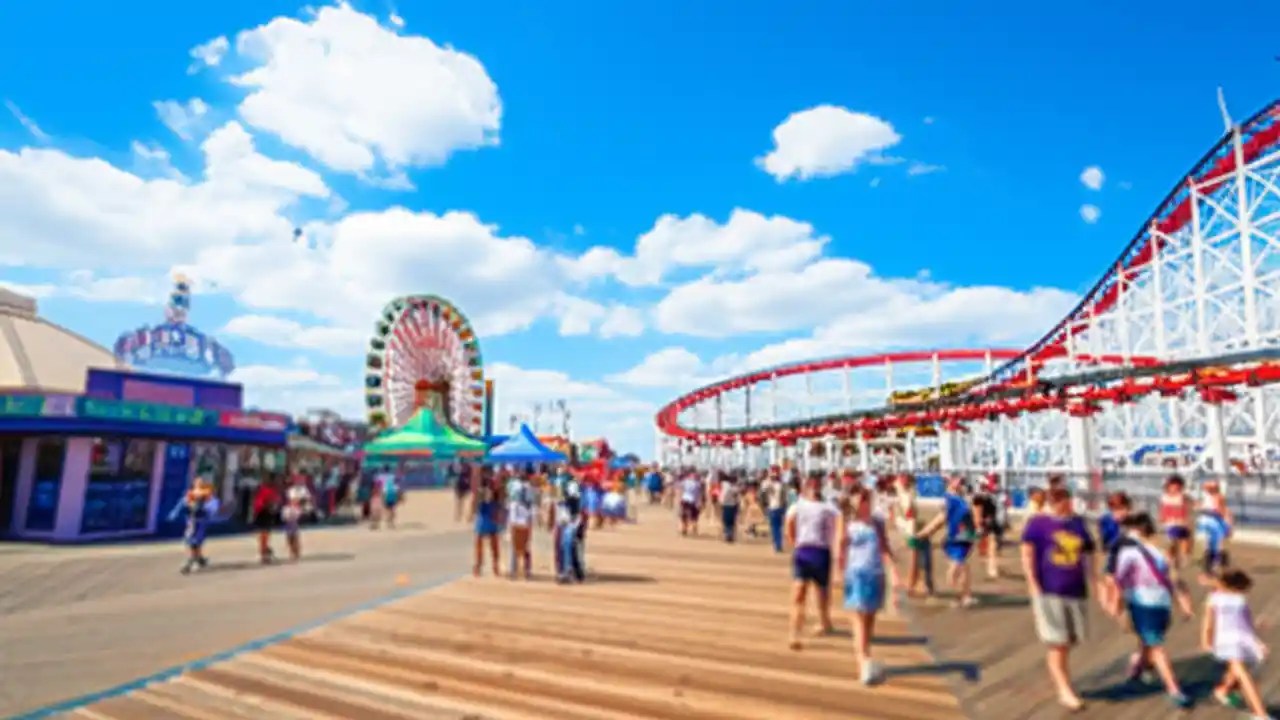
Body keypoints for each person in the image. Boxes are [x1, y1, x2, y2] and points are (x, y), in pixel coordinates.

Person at [1105, 512, 1193, 708]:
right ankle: (1136, 670)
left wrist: (1114, 603)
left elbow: (1118, 580)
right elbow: (1175, 579)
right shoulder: (1161, 552)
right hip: (1163, 602)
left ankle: (1173, 688)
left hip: (1142, 601)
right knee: (1149, 639)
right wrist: (1184, 603)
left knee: (1156, 647)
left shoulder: (1129, 553)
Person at [1020, 486, 1096, 712]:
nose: (1063, 504)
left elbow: (1088, 553)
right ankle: (1064, 690)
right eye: (1056, 500)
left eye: (1064, 499)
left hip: (1075, 589)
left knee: (1070, 640)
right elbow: (1027, 554)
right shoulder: (1038, 524)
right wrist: (1032, 583)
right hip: (1049, 589)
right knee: (1058, 643)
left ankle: (1063, 682)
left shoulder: (1078, 523)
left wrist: (1096, 581)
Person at [836, 486, 901, 685]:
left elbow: (885, 550)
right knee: (858, 620)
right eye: (859, 499)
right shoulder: (845, 522)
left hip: (876, 574)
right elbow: (839, 549)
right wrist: (838, 573)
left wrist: (894, 574)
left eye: (866, 499)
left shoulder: (877, 523)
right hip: (855, 574)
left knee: (869, 620)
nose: (863, 503)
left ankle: (866, 657)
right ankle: (863, 663)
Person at [1202, 568, 1269, 717]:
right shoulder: (1220, 599)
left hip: (1236, 640)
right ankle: (1260, 713)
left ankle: (1222, 690)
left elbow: (1245, 624)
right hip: (1228, 641)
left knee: (1236, 671)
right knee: (1243, 674)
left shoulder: (1231, 599)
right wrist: (1206, 639)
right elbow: (1209, 621)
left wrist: (1257, 640)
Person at [784, 475, 840, 650]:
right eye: (810, 483)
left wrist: (838, 551)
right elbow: (789, 526)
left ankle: (825, 621)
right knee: (799, 593)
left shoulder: (828, 506)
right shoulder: (797, 506)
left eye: (816, 483)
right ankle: (794, 634)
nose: (813, 486)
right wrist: (795, 544)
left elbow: (839, 525)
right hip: (803, 551)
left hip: (822, 551)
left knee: (822, 593)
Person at [916, 476, 976, 608]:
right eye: (957, 480)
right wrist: (926, 532)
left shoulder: (960, 498)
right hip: (957, 539)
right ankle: (959, 596)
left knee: (963, 568)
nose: (961, 483)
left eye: (961, 481)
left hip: (963, 537)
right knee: (956, 569)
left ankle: (965, 596)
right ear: (951, 483)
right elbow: (940, 519)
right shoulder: (950, 500)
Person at [894, 474, 935, 601]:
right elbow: (909, 511)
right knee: (918, 558)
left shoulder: (907, 492)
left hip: (914, 527)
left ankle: (917, 585)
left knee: (918, 558)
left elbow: (909, 512)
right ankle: (919, 585)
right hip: (913, 527)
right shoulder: (907, 492)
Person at [169, 476, 218, 575]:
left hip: (201, 520)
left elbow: (213, 505)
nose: (199, 483)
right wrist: (174, 513)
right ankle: (196, 559)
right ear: (194, 483)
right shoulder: (190, 494)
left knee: (197, 540)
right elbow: (182, 503)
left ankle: (194, 560)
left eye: (201, 482)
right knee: (191, 540)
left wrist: (209, 512)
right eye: (197, 482)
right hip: (192, 520)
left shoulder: (206, 494)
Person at [1196, 479, 1234, 580]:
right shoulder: (1208, 498)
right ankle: (1212, 569)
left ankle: (1216, 568)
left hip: (1214, 524)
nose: (1207, 490)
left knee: (1214, 547)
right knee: (1208, 547)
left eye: (1210, 488)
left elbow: (1222, 511)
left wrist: (1228, 526)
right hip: (1207, 524)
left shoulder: (1218, 498)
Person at [471, 474, 504, 577]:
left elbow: (474, 504)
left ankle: (481, 566)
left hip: (485, 519)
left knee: (483, 544)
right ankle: (490, 566)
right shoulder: (492, 493)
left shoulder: (483, 492)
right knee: (491, 544)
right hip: (488, 518)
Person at [1159, 475, 1193, 568]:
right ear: (1168, 486)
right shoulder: (1165, 497)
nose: (1175, 488)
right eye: (1173, 486)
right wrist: (1162, 519)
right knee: (1172, 543)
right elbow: (1163, 510)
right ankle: (1170, 559)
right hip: (1171, 523)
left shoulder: (1183, 497)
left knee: (1185, 541)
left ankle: (1182, 559)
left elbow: (1187, 508)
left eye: (1178, 487)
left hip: (1182, 523)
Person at [507, 472, 535, 579]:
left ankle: (516, 570)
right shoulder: (527, 490)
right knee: (524, 548)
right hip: (523, 521)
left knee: (516, 548)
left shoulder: (518, 488)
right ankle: (524, 570)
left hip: (520, 521)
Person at [281, 474, 314, 562]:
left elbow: (306, 500)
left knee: (293, 531)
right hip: (289, 511)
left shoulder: (303, 490)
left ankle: (295, 550)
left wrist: (299, 502)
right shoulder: (290, 490)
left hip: (298, 511)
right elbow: (291, 500)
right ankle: (292, 549)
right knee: (289, 532)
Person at [251, 476, 283, 564]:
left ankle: (264, 552)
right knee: (264, 534)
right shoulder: (267, 490)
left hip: (265, 512)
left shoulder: (269, 490)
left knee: (265, 534)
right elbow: (264, 502)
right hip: (263, 513)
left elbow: (274, 502)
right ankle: (264, 552)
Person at [760, 470, 788, 553]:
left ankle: (777, 544)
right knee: (779, 527)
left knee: (774, 527)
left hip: (772, 508)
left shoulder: (767, 485)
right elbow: (785, 498)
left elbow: (762, 494)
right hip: (780, 508)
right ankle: (778, 544)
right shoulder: (781, 486)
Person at [678, 471, 703, 536]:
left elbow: (680, 489)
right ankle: (694, 525)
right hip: (694, 501)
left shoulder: (685, 481)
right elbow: (699, 494)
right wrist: (699, 502)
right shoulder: (698, 483)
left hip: (685, 499)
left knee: (683, 515)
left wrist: (680, 498)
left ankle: (684, 527)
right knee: (694, 515)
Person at [719, 475, 741, 543]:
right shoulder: (736, 488)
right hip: (733, 506)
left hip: (727, 506)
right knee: (731, 521)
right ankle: (730, 535)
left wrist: (721, 503)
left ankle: (728, 535)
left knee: (727, 521)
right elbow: (737, 499)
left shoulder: (726, 488)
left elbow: (723, 497)